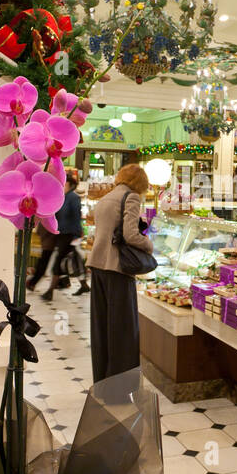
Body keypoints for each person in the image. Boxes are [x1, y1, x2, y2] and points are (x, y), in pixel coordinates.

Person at [85, 163, 152, 382]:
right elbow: (130, 235)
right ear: (139, 182)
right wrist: (149, 245)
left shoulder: (106, 198)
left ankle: (103, 381)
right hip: (117, 268)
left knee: (102, 327)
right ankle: (121, 387)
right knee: (123, 330)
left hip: (98, 266)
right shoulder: (131, 197)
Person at [41, 172, 85, 302]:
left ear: (70, 185)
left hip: (69, 234)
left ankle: (50, 291)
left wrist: (77, 233)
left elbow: (76, 217)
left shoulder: (73, 198)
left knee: (59, 261)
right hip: (63, 234)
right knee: (73, 260)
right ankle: (84, 285)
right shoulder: (65, 197)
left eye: (65, 183)